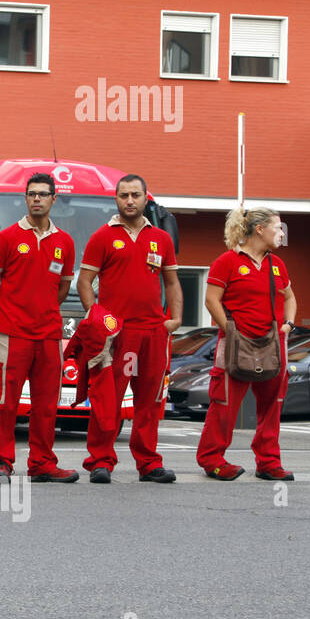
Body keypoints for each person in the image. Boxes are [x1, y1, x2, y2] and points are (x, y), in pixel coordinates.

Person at [77, 174, 182, 484]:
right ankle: (100, 461)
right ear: (116, 199)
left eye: (135, 195)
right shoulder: (103, 236)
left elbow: (172, 281)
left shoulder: (161, 238)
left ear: (146, 197)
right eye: (124, 195)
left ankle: (149, 463)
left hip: (153, 332)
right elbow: (85, 281)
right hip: (116, 335)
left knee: (149, 402)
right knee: (107, 400)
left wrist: (175, 318)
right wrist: (97, 319)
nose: (130, 201)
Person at [0, 172, 78, 484]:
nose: (37, 198)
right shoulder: (7, 238)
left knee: (47, 405)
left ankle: (42, 464)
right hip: (12, 333)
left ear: (53, 199)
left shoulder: (65, 242)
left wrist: (43, 310)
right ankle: (0, 462)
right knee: (5, 401)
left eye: (43, 194)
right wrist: (2, 315)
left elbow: (61, 290)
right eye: (32, 194)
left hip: (50, 335)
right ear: (25, 198)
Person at [196, 207, 297, 481]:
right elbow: (211, 300)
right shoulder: (227, 261)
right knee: (224, 404)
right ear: (260, 229)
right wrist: (230, 330)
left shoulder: (277, 264)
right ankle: (212, 460)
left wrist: (287, 326)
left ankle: (268, 462)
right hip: (235, 345)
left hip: (272, 345)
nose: (282, 233)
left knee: (271, 406)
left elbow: (290, 297)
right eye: (278, 227)